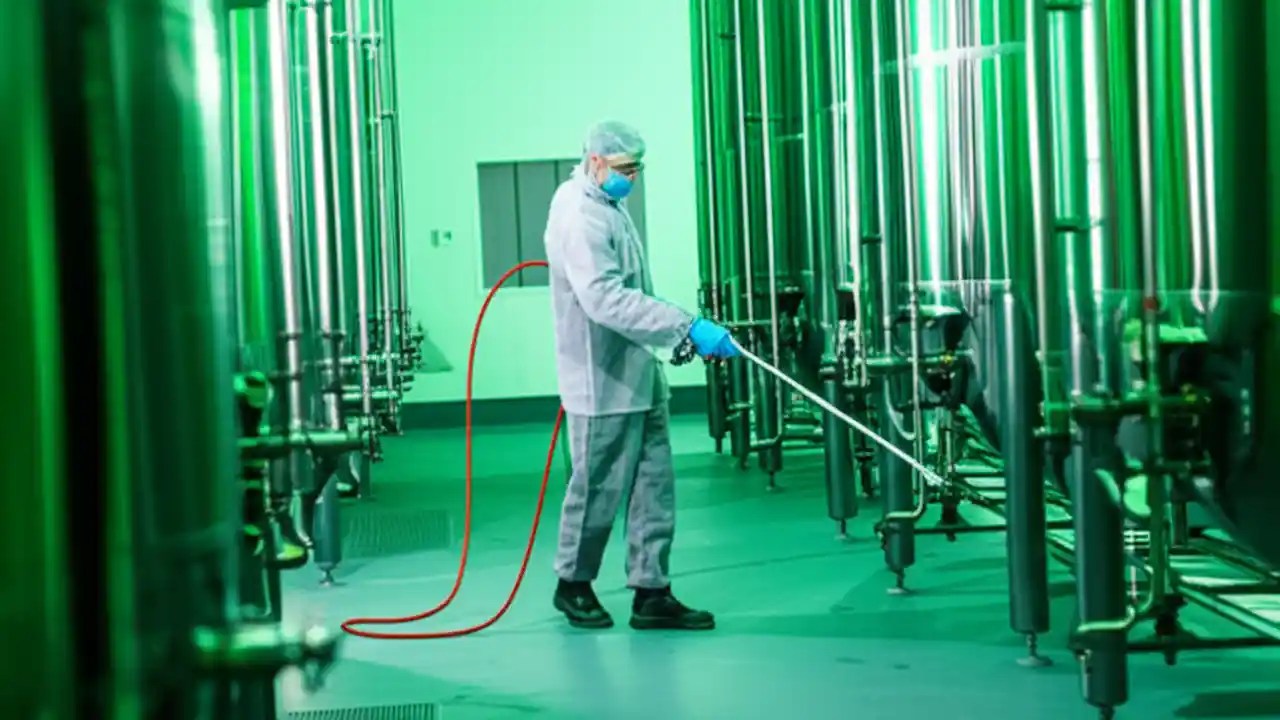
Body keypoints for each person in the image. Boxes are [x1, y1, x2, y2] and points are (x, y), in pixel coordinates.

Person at [543, 120, 739, 631]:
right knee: (598, 489)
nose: (634, 178)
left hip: (638, 375)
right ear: (596, 161)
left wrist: (677, 336)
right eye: (627, 169)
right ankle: (573, 584)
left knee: (654, 486)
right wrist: (685, 326)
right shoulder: (580, 214)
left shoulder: (609, 206)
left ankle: (652, 591)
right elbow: (604, 299)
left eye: (638, 169)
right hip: (601, 379)